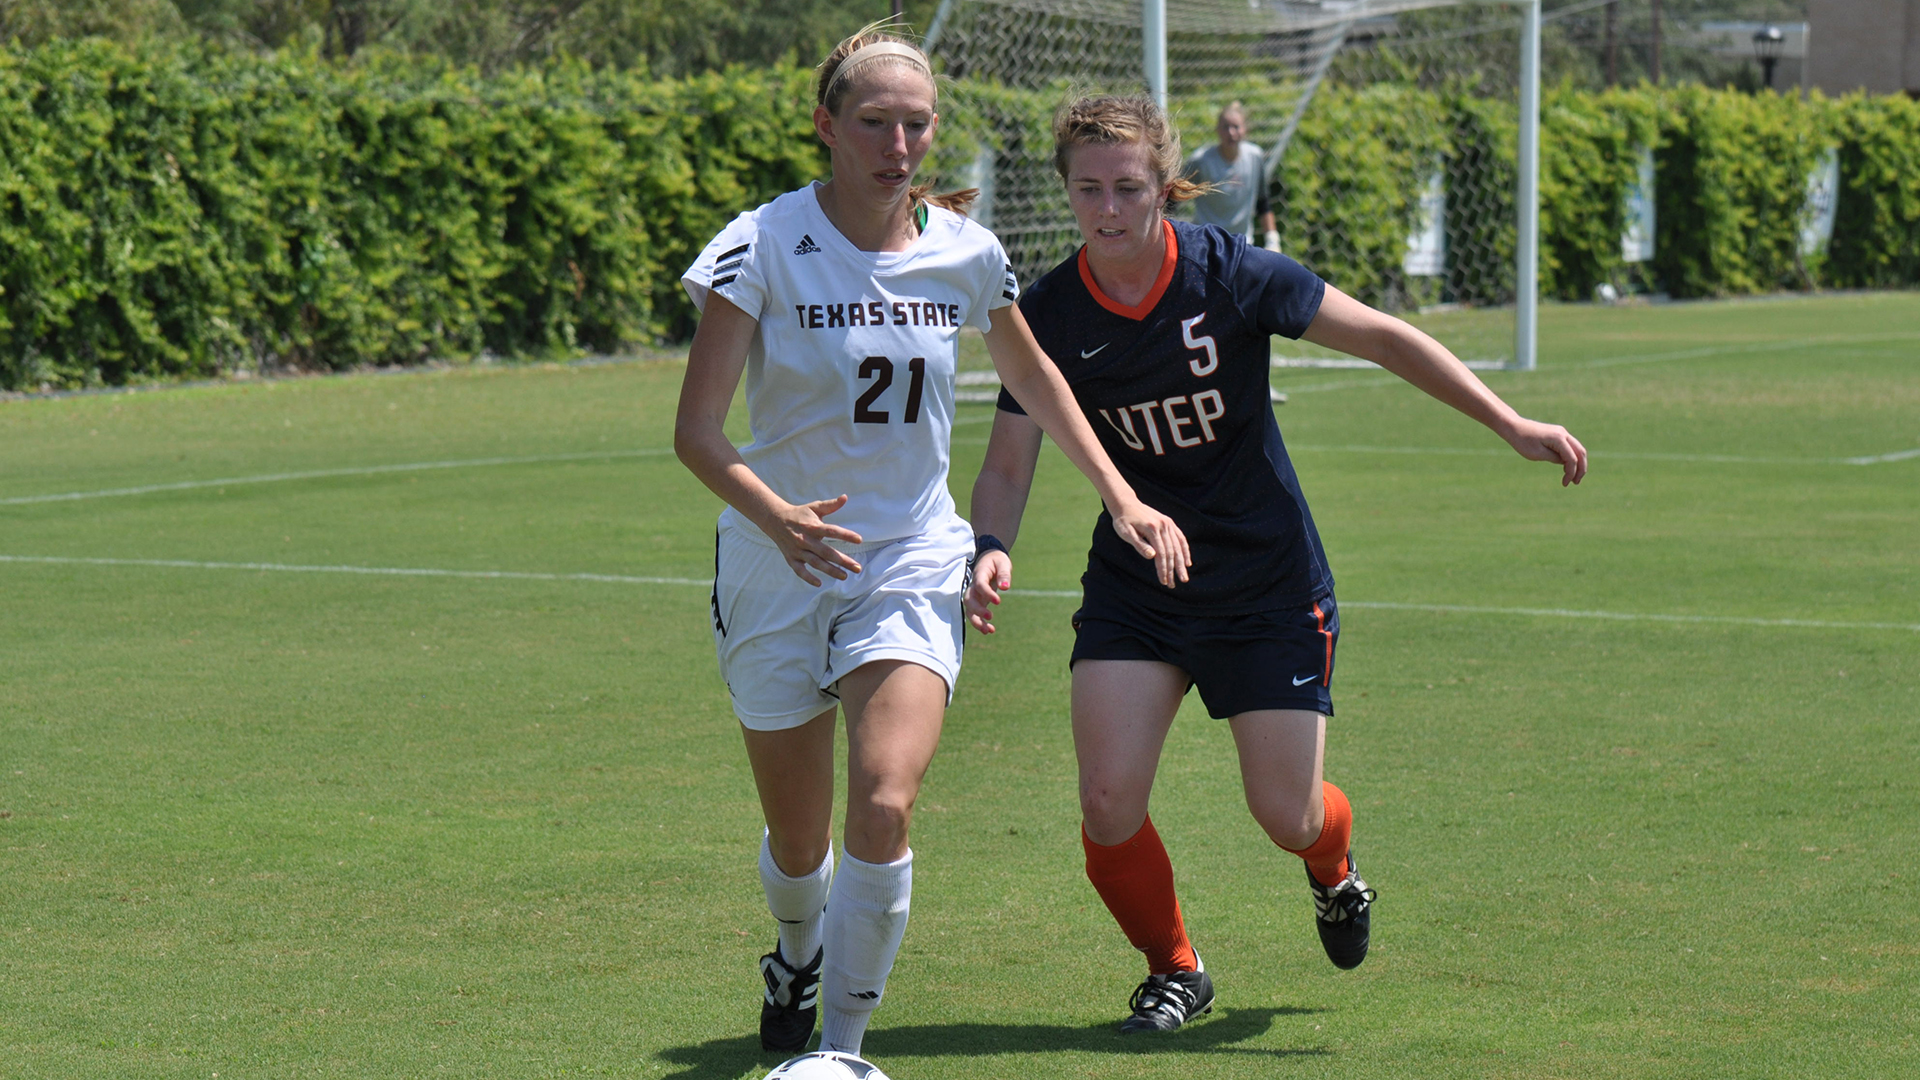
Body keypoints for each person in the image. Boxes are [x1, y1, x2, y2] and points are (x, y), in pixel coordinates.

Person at [967, 93, 1587, 1035]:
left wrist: (1510, 423)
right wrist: (992, 548)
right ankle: (1175, 970)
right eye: (1088, 189)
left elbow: (1382, 335)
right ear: (1066, 192)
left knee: (1287, 814)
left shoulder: (1229, 274)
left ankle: (1333, 873)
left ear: (1162, 188)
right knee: (1106, 800)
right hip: (1142, 585)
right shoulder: (1046, 311)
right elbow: (1010, 460)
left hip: (1266, 582)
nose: (1108, 208)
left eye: (1128, 188)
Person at [674, 30, 1189, 1062]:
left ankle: (846, 1046)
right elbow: (698, 431)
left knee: (884, 798)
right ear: (827, 127)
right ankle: (794, 954)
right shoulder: (759, 244)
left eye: (916, 124)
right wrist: (779, 518)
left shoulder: (968, 253)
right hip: (777, 563)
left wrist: (1121, 496)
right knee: (799, 840)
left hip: (909, 558)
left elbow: (1038, 381)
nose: (898, 143)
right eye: (873, 123)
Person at [1183, 101, 1279, 252]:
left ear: (1245, 129)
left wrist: (1272, 239)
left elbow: (1262, 201)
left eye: (1236, 127)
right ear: (1217, 130)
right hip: (1206, 245)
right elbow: (1173, 198)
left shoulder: (1255, 157)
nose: (1231, 133)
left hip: (1242, 245)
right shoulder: (1201, 160)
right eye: (1226, 127)